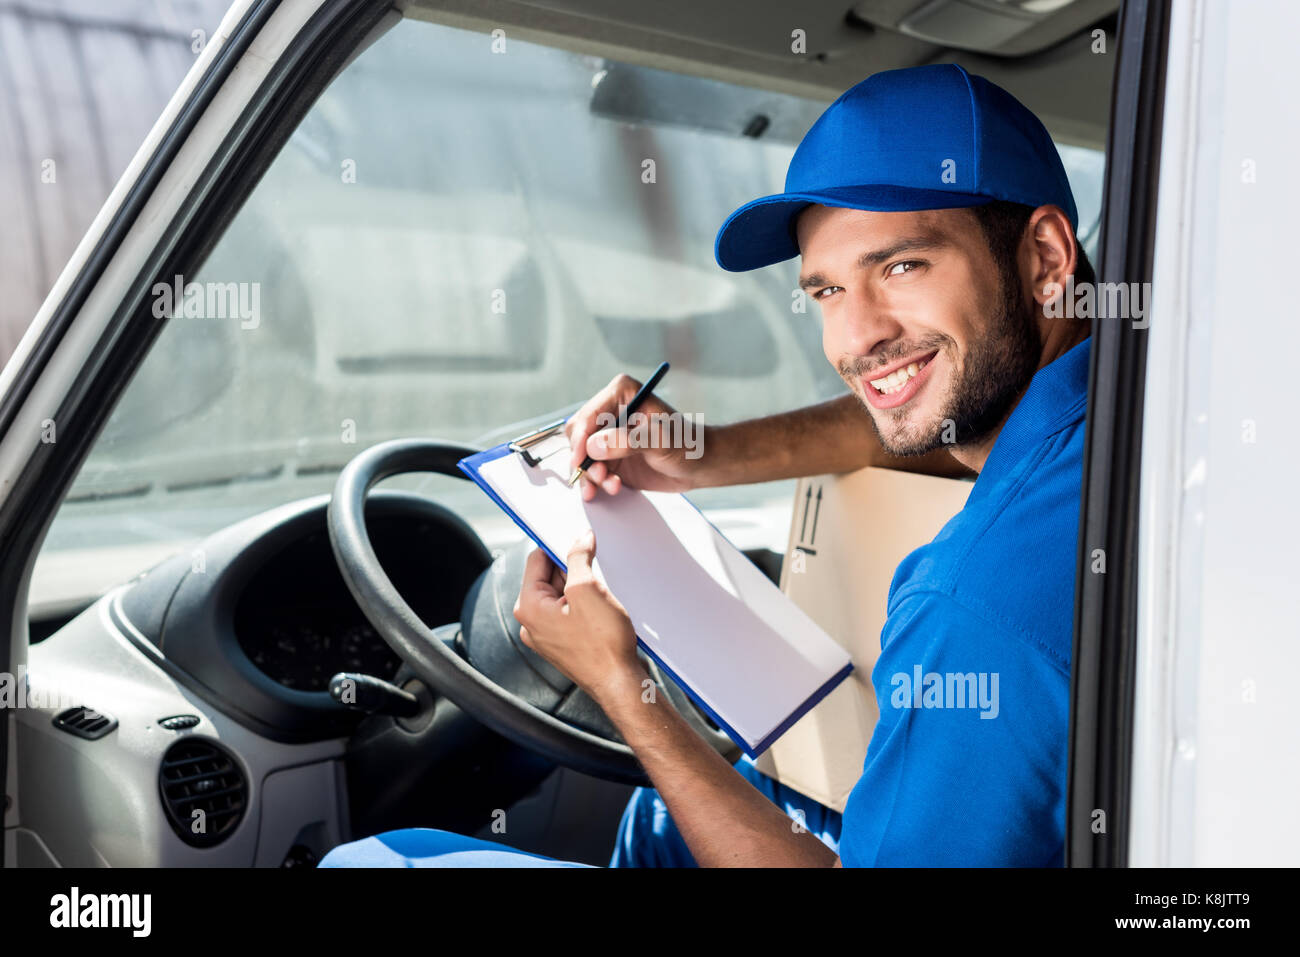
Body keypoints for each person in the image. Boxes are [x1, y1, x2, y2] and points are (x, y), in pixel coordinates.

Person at [319, 62, 1094, 868]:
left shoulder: (969, 606)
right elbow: (940, 410)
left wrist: (626, 688)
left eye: (901, 266)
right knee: (662, 820)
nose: (855, 338)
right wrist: (704, 452)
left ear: (1044, 256)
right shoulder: (1135, 403)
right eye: (826, 290)